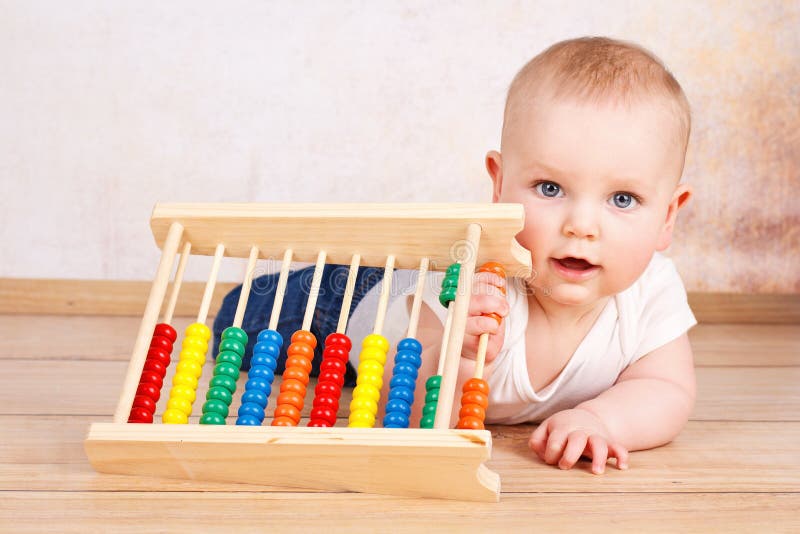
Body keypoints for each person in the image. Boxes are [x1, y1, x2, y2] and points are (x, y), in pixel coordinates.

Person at [215, 36, 697, 475]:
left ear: (668, 216)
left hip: (397, 288)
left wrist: (600, 418)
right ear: (499, 184)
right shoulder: (473, 290)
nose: (581, 226)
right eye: (550, 188)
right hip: (356, 304)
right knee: (242, 317)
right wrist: (462, 358)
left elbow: (666, 389)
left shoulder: (652, 290)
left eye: (623, 199)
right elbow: (398, 404)